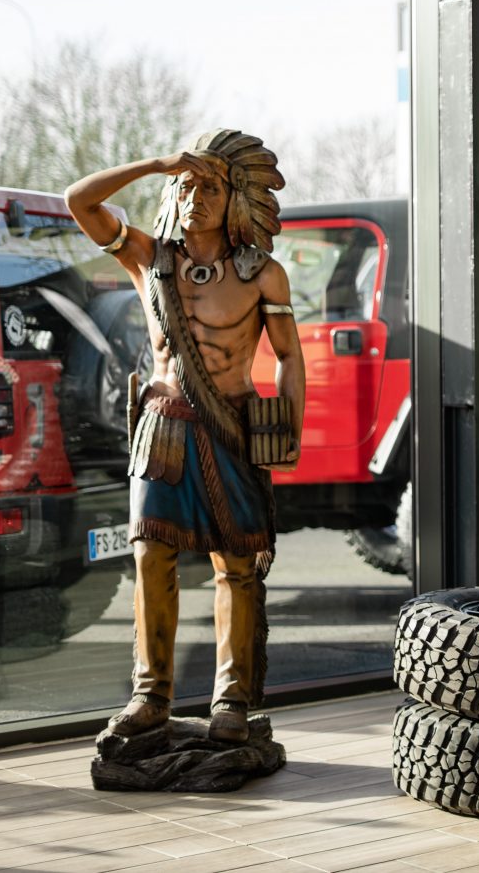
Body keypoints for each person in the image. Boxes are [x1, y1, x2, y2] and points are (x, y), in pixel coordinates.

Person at [65, 130, 303, 743]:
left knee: (238, 566)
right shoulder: (148, 257)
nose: (196, 197)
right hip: (163, 426)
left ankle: (232, 701)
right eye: (187, 185)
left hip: (232, 428)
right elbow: (78, 200)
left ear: (236, 198)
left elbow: (288, 356)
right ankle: (151, 696)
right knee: (150, 556)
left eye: (211, 187)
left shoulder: (263, 275)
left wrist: (288, 428)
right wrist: (155, 163)